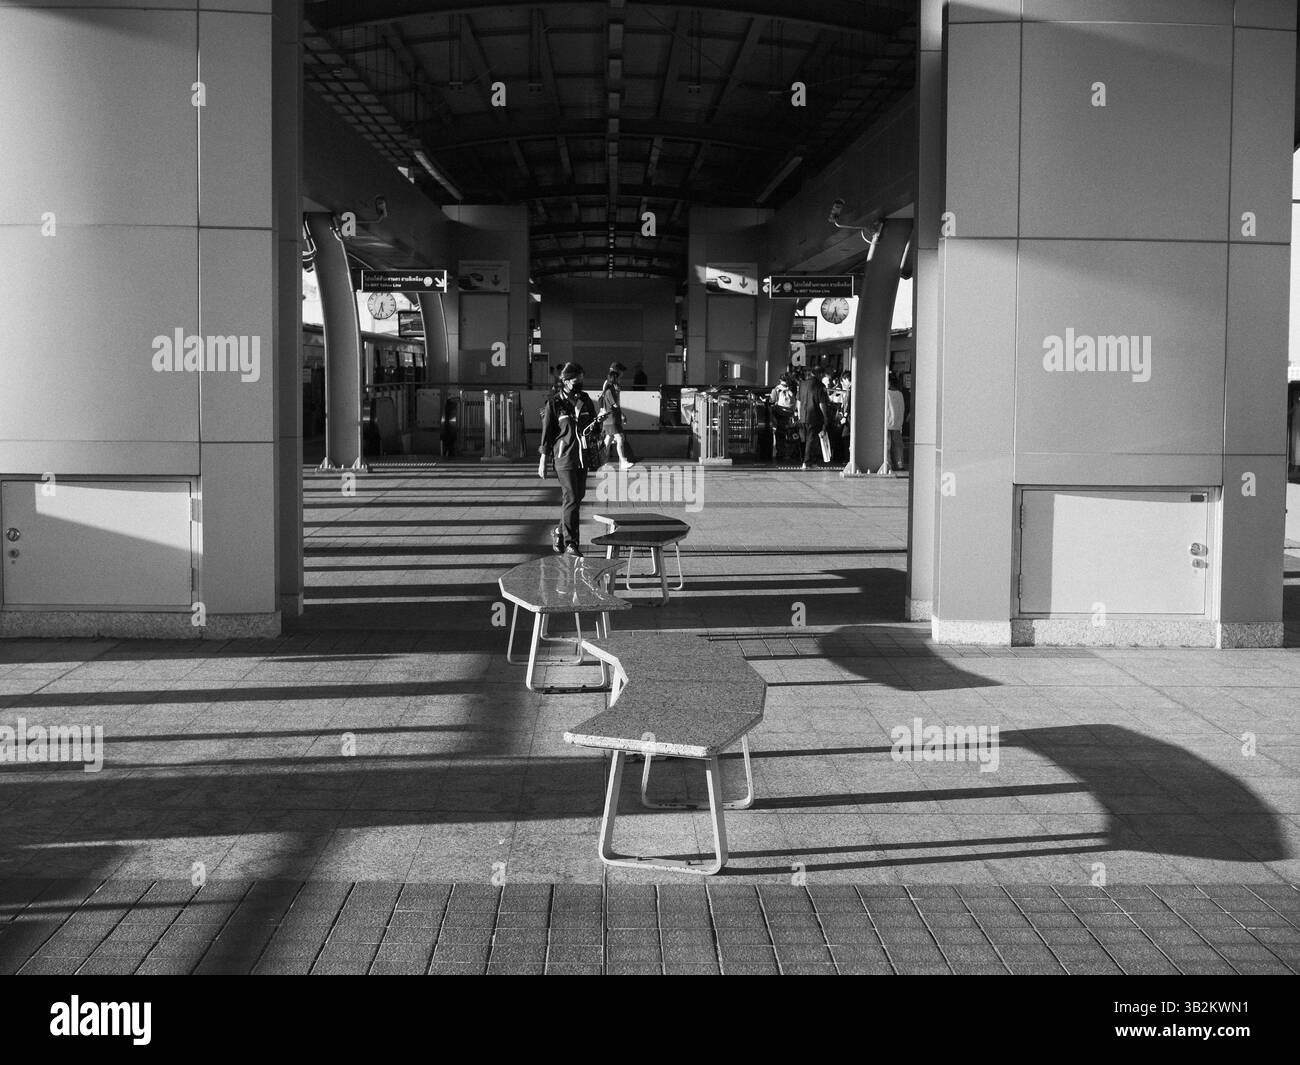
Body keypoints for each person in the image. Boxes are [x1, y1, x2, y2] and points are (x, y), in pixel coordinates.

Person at [539, 362, 598, 556]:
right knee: (572, 496)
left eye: (581, 379)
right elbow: (547, 434)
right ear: (565, 381)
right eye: (575, 380)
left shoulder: (585, 399)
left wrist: (599, 423)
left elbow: (592, 425)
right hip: (563, 457)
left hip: (582, 457)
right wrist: (543, 461)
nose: (579, 383)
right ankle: (572, 543)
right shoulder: (554, 403)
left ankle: (558, 531)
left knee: (576, 498)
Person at [598, 362, 635, 470]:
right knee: (619, 438)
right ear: (615, 371)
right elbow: (605, 399)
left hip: (613, 416)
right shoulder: (609, 385)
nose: (622, 374)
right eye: (621, 371)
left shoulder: (615, 385)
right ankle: (623, 461)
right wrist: (603, 410)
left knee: (608, 439)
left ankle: (602, 461)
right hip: (611, 416)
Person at [797, 370, 832, 470]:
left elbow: (798, 401)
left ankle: (810, 461)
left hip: (803, 416)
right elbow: (822, 403)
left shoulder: (802, 384)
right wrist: (825, 417)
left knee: (805, 439)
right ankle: (807, 462)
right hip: (814, 416)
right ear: (819, 374)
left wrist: (799, 415)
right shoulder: (820, 386)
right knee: (811, 440)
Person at [884, 370, 905, 475]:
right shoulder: (900, 394)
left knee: (887, 445)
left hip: (887, 423)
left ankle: (888, 463)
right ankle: (899, 463)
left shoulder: (886, 393)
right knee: (897, 445)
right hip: (897, 423)